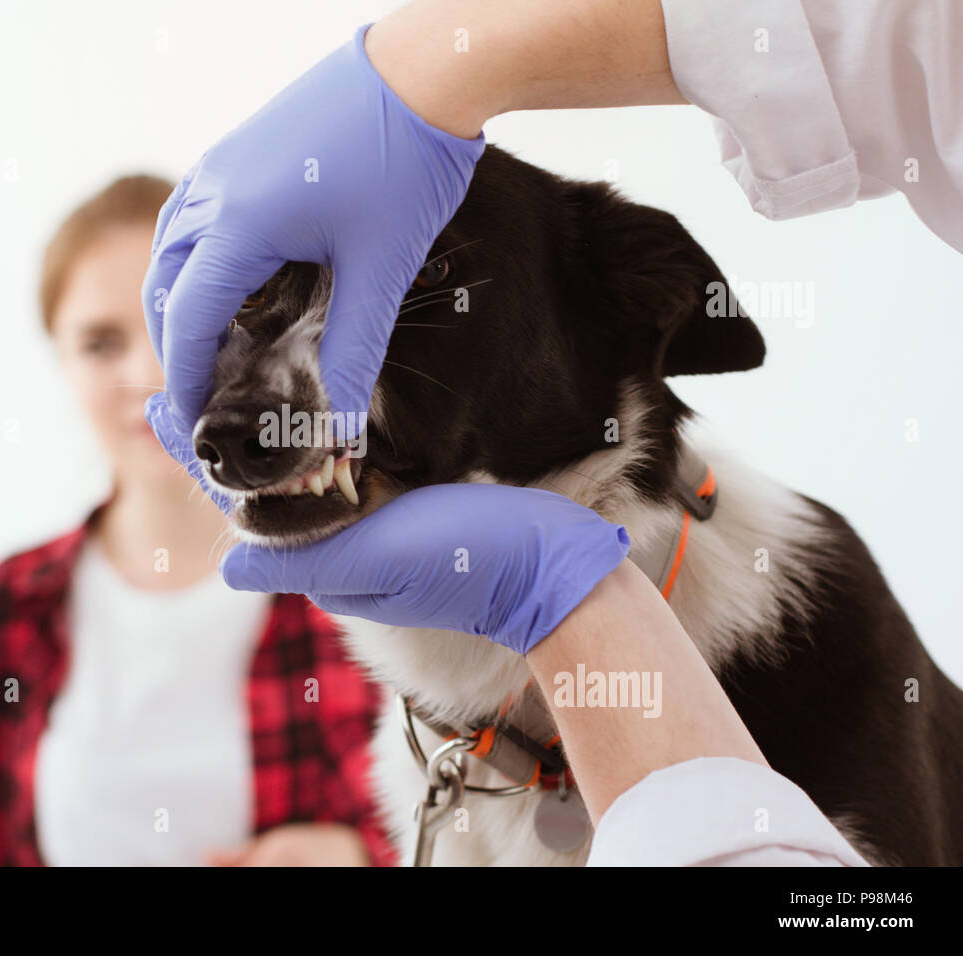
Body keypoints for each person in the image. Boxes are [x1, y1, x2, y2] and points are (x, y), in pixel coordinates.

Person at [142, 0, 962, 866]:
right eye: (265, 296)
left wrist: (425, 68)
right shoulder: (415, 754)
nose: (247, 418)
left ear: (606, 322)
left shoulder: (819, 656)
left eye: (428, 274)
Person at [0, 175, 394, 867]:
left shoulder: (365, 596)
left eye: (182, 325)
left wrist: (355, 856)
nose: (152, 374)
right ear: (62, 364)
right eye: (102, 343)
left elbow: (470, 826)